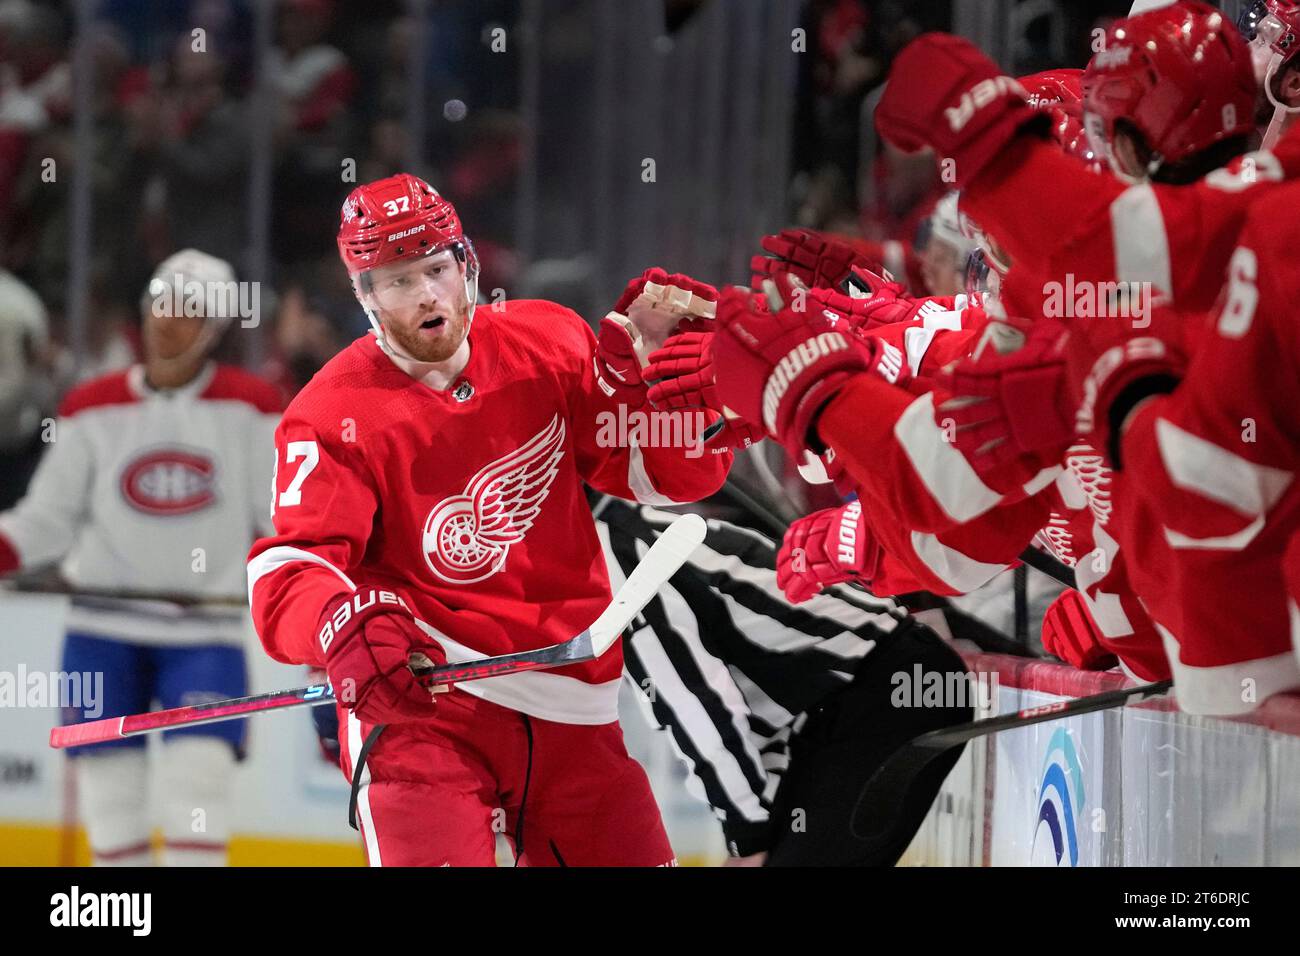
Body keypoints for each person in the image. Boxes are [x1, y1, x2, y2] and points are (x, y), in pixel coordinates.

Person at [246, 173, 734, 866]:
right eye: (397, 281)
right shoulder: (330, 412)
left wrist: (673, 399)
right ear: (365, 296)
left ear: (467, 263)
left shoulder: (550, 340)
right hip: (427, 709)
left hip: (573, 699)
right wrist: (339, 624)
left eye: (436, 269)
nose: (426, 295)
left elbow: (661, 478)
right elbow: (289, 568)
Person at [0, 249, 283, 865]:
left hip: (205, 633)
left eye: (188, 310)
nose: (167, 320)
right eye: (161, 303)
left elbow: (281, 521)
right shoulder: (91, 406)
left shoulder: (255, 408)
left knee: (197, 787)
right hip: (99, 633)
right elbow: (45, 523)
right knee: (111, 804)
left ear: (214, 327)